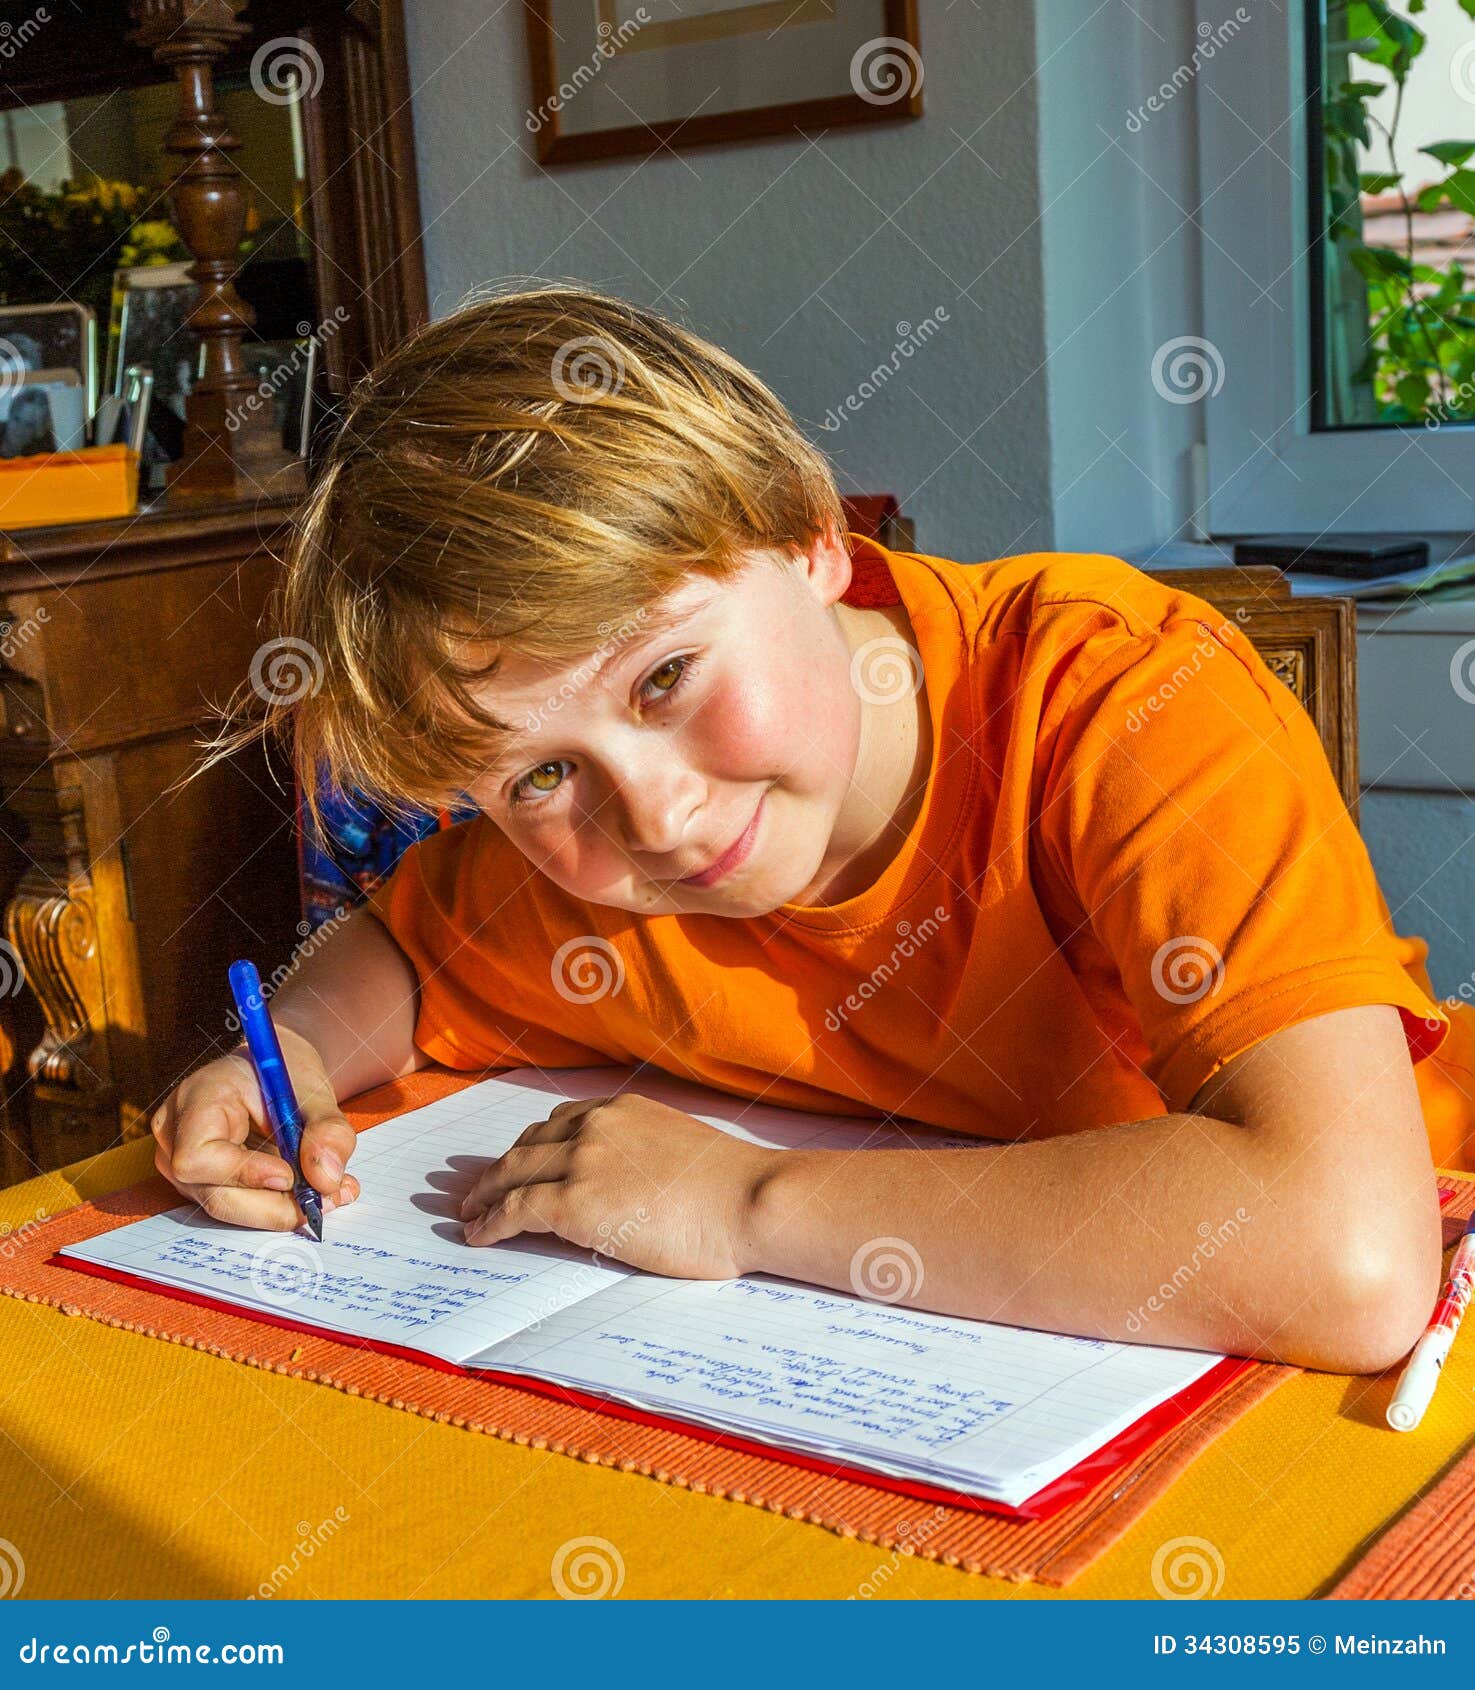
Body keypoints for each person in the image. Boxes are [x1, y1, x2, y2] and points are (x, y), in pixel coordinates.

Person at [153, 284, 1473, 1374]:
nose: (657, 812)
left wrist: (743, 1200)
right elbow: (405, 948)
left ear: (806, 532)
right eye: (539, 776)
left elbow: (1346, 1254)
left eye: (665, 677)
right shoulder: (598, 882)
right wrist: (298, 1056)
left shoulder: (1122, 703)